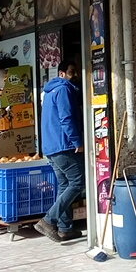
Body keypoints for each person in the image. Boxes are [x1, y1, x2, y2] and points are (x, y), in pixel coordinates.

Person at [34, 61, 85, 243]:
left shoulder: (49, 92)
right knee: (78, 182)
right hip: (63, 146)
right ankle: (49, 220)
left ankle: (65, 228)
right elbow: (66, 118)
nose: (75, 75)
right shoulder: (63, 90)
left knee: (64, 185)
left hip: (51, 147)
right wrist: (77, 141)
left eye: (76, 71)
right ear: (62, 73)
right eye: (72, 72)